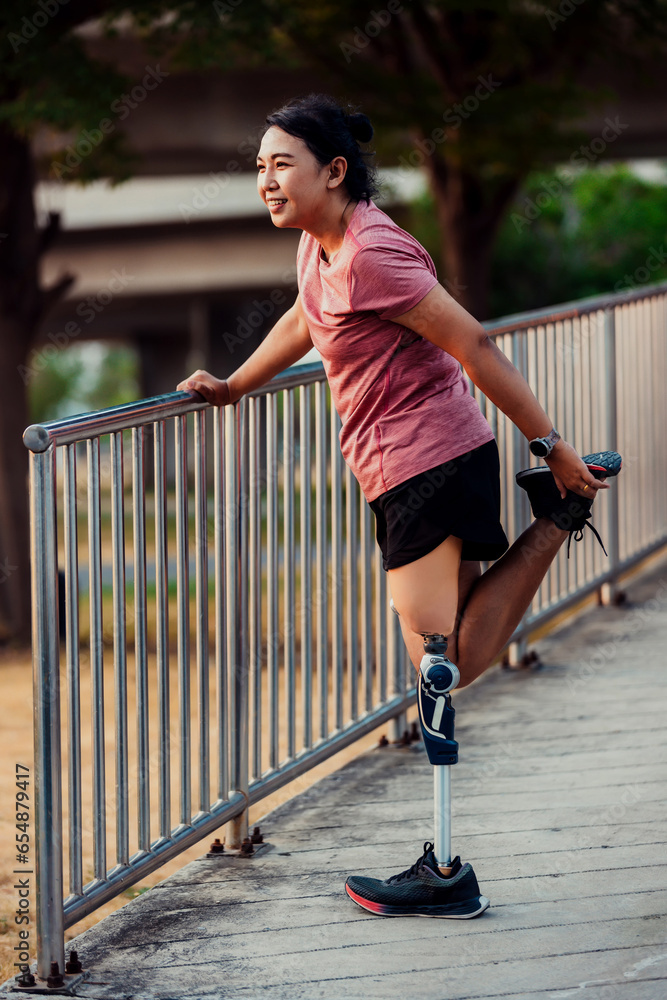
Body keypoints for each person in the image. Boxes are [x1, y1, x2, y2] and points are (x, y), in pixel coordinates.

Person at [177, 94, 620, 918]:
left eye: (282, 165)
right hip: (406, 466)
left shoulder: (374, 251)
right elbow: (306, 319)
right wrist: (236, 384)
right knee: (442, 652)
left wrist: (548, 442)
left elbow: (472, 343)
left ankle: (447, 872)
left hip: (427, 462)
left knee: (437, 663)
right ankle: (556, 519)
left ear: (333, 171)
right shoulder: (323, 246)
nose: (266, 182)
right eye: (260, 168)